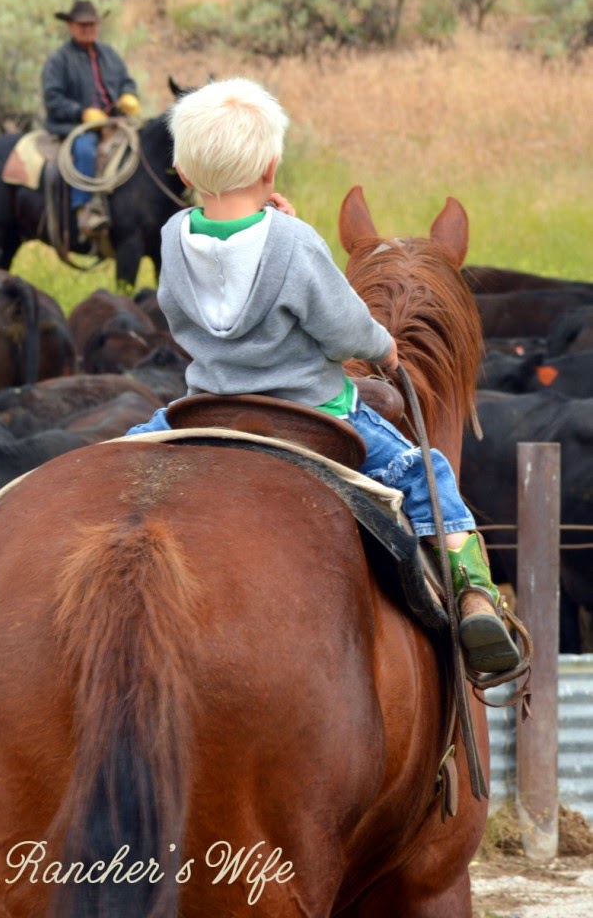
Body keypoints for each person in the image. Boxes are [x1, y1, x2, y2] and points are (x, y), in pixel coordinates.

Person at [126, 77, 520, 675]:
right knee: (427, 475)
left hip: (205, 406)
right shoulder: (295, 241)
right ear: (272, 165)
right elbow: (341, 327)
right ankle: (473, 598)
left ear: (181, 170)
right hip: (312, 411)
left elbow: (182, 314)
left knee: (123, 455)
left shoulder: (172, 240)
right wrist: (383, 349)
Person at [42, 0, 140, 241]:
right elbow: (53, 98)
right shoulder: (59, 59)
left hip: (114, 122)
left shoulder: (109, 55)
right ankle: (85, 211)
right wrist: (81, 112)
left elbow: (126, 80)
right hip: (78, 126)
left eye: (92, 24)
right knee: (85, 150)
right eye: (82, 24)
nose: (88, 29)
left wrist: (129, 95)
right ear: (71, 26)